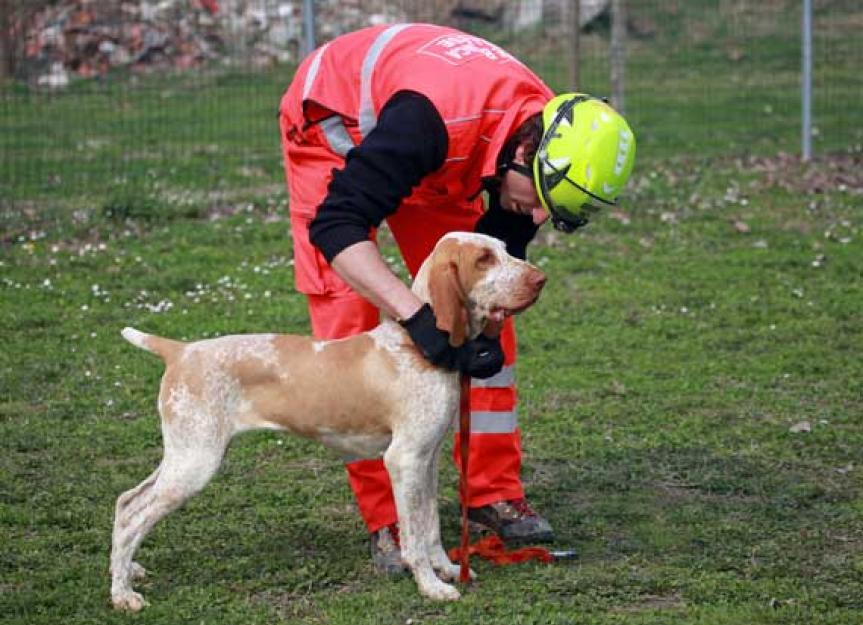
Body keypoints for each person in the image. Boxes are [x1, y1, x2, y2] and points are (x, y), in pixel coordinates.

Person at [278, 23, 636, 574]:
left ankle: (492, 490)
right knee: (348, 322)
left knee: (485, 302)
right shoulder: (428, 122)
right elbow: (336, 226)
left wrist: (485, 331)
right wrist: (415, 317)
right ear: (523, 152)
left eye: (555, 211)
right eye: (540, 201)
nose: (539, 218)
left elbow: (501, 256)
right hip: (335, 128)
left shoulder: (545, 143)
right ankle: (389, 518)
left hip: (451, 158)